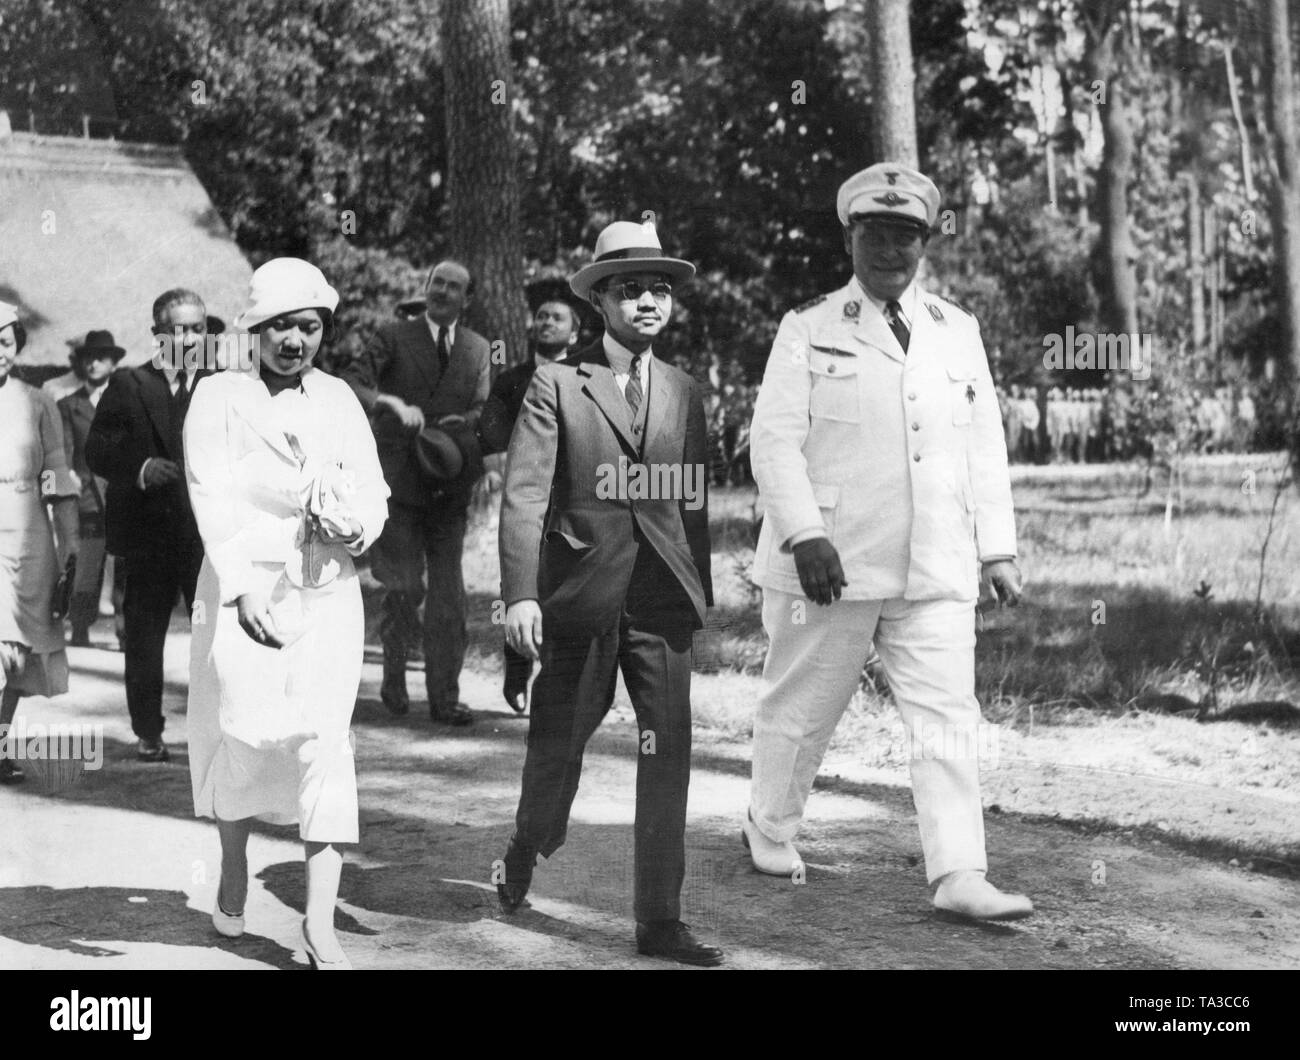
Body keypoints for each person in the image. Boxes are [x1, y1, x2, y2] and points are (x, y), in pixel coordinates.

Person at [745, 163, 1034, 921]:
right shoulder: (807, 327)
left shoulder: (957, 330)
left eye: (906, 234)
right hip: (829, 563)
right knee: (802, 706)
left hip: (935, 561)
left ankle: (960, 874)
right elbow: (773, 444)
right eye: (876, 233)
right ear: (851, 237)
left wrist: (996, 548)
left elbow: (984, 444)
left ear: (926, 240)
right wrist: (805, 534)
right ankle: (769, 825)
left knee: (948, 720)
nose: (891, 250)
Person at [494, 221, 723, 966]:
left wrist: (698, 594)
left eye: (660, 288)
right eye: (631, 289)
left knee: (668, 756)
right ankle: (528, 843)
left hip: (660, 604)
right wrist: (521, 597)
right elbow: (525, 497)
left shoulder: (684, 388)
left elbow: (690, 502)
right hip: (581, 596)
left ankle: (659, 921)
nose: (649, 301)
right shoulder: (558, 383)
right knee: (558, 748)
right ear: (600, 302)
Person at [185, 258, 389, 969]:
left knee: (325, 745)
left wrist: (361, 527)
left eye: (308, 326)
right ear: (253, 331)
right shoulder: (218, 396)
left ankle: (317, 921)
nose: (295, 340)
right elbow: (209, 493)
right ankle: (235, 869)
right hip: (248, 593)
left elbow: (372, 486)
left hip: (328, 593)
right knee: (243, 735)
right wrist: (240, 591)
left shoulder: (337, 398)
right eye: (279, 327)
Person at [341, 261, 491, 726]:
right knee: (405, 585)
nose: (443, 292)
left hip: (450, 480)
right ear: (426, 289)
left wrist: (464, 424)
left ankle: (445, 697)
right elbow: (351, 382)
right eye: (437, 283)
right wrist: (388, 403)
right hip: (398, 482)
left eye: (454, 287)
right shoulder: (393, 335)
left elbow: (486, 407)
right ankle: (393, 669)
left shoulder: (478, 348)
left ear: (467, 300)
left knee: (449, 593)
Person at [85, 290, 212, 762]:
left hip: (207, 537)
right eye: (178, 329)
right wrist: (140, 468)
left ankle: (211, 731)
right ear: (159, 334)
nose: (189, 337)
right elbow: (96, 450)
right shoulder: (129, 384)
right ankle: (148, 731)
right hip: (147, 537)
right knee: (143, 638)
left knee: (215, 637)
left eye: (198, 328)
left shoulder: (224, 385)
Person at [478, 287, 584, 714]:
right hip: (526, 498)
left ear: (574, 334)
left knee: (566, 584)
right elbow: (489, 429)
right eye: (541, 316)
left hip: (573, 501)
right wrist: (492, 469)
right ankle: (516, 664)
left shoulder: (587, 379)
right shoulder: (511, 379)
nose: (546, 323)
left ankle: (559, 676)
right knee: (518, 582)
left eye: (557, 318)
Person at [0, 301, 80, 784]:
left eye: (5, 343)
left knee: (18, 650)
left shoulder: (38, 402)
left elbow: (57, 477)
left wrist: (70, 545)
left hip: (30, 536)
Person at [58, 330, 126, 646]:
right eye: (88, 358)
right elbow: (66, 453)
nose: (94, 363)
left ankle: (125, 630)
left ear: (113, 364)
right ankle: (81, 625)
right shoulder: (69, 406)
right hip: (87, 497)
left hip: (123, 495)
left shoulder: (127, 400)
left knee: (125, 562)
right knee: (87, 563)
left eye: (101, 357)